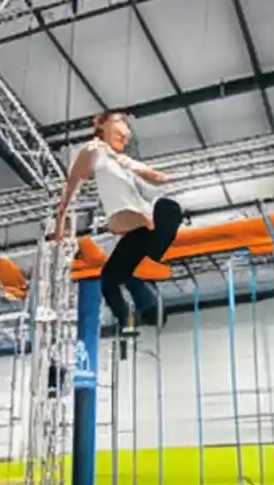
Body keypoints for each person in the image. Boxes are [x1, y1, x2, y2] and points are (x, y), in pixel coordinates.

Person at [53, 109, 181, 334]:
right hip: (128, 220)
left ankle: (147, 307)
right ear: (101, 125)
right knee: (110, 279)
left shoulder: (122, 160)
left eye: (126, 133)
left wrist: (136, 167)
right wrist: (60, 223)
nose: (124, 134)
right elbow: (71, 186)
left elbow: (159, 178)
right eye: (119, 125)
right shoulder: (93, 150)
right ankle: (129, 319)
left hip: (152, 218)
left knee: (126, 272)